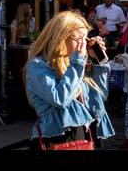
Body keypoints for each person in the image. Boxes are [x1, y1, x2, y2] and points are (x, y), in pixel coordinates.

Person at [25, 11, 100, 149]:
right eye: (80, 39)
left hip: (82, 134)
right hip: (56, 137)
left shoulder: (72, 64)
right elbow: (60, 99)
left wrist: (99, 62)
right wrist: (78, 62)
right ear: (61, 37)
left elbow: (99, 96)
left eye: (86, 39)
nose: (83, 44)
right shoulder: (38, 66)